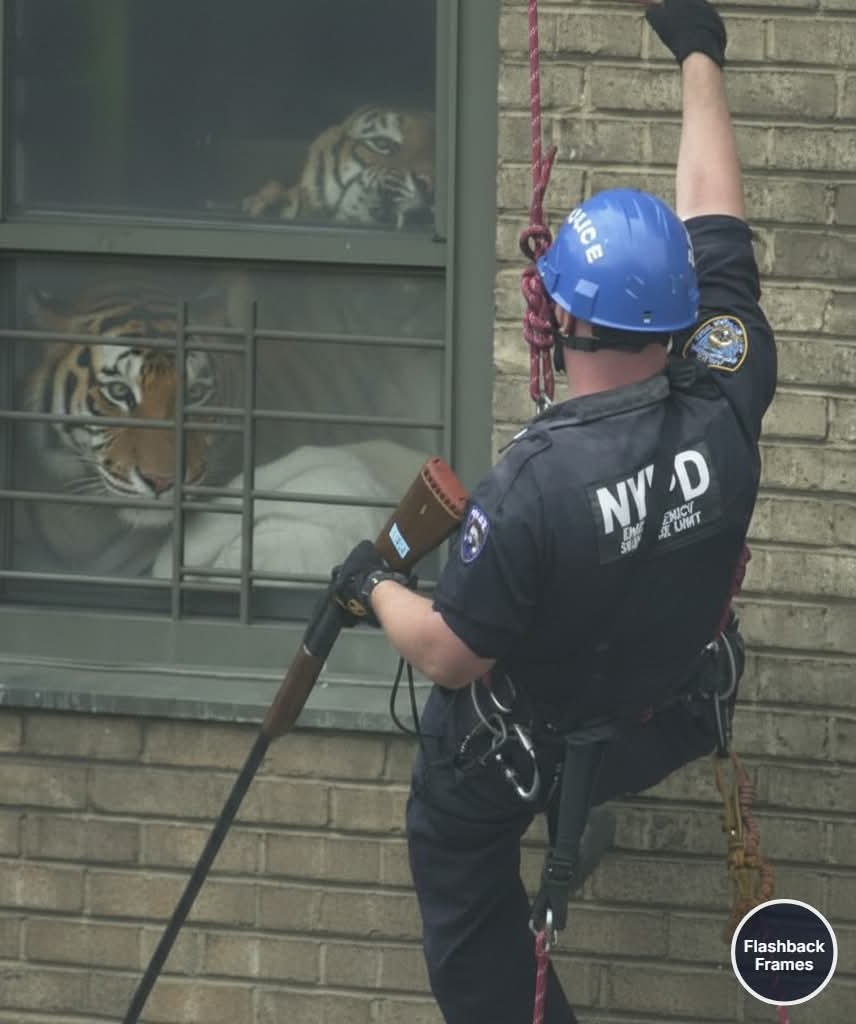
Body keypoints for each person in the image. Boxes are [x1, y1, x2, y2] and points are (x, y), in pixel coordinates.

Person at [328, 1, 777, 1021]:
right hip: (665, 716)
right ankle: (580, 795)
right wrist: (697, 50)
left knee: (455, 857)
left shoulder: (530, 487)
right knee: (580, 703)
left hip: (527, 745)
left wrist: (374, 584)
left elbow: (450, 655)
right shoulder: (727, 387)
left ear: (563, 315)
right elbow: (717, 221)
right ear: (676, 312)